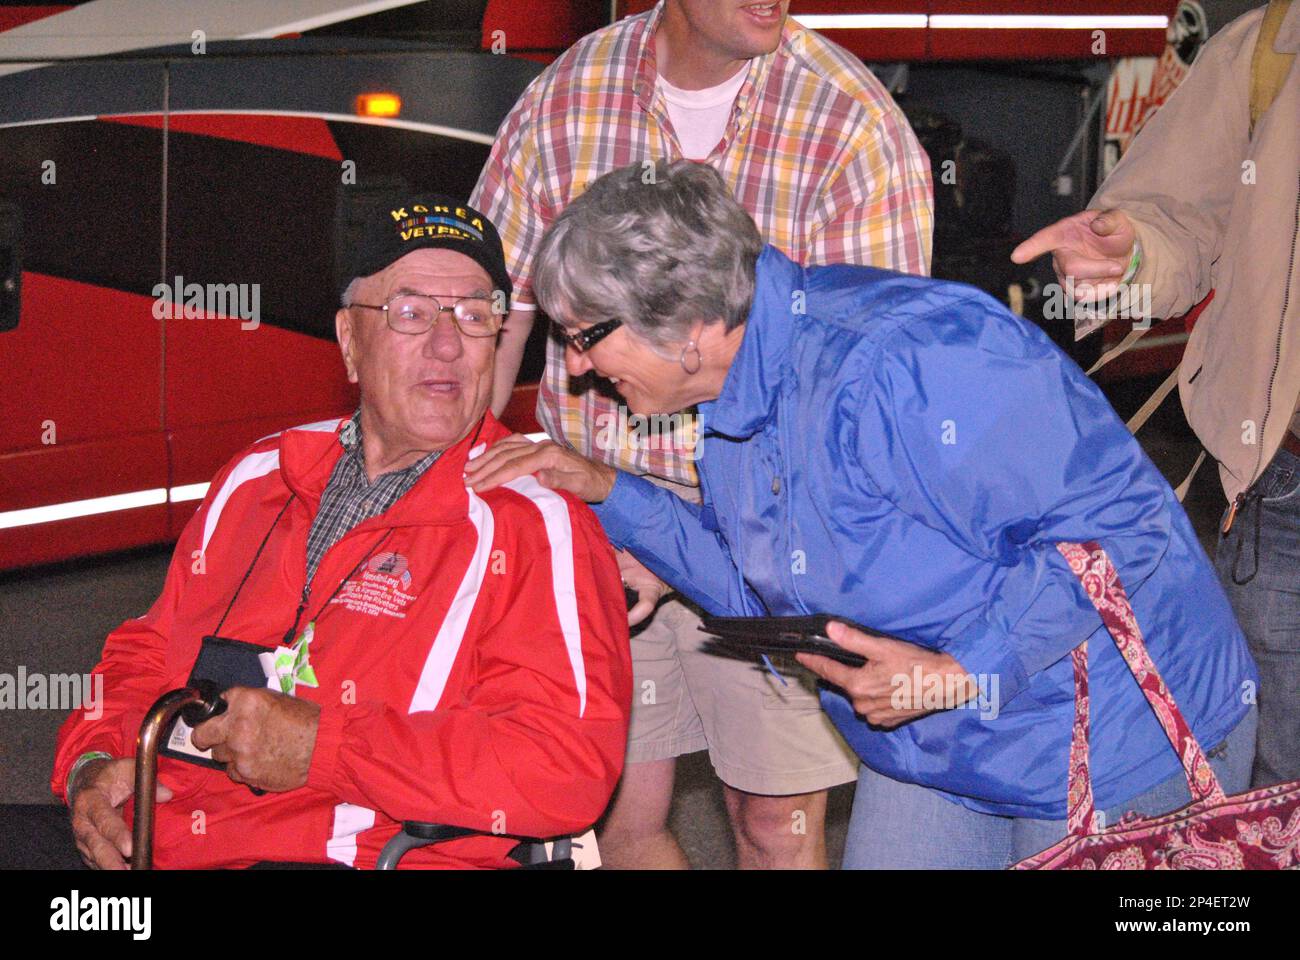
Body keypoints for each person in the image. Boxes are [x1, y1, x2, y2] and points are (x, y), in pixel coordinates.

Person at [464, 159, 1258, 869]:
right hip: (936, 743)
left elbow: (1124, 524)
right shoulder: (739, 392)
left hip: (1111, 733)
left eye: (584, 336)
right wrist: (608, 490)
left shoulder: (911, 358)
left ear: (689, 326)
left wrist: (956, 674)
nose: (572, 366)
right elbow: (758, 597)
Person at [35, 195, 631, 869]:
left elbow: (565, 768)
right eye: (410, 312)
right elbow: (143, 655)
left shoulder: (532, 522)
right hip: (162, 841)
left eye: (474, 315)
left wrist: (326, 746)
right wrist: (90, 764)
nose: (448, 344)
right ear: (349, 340)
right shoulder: (259, 476)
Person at [471, 0, 932, 869]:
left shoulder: (849, 123)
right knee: (611, 818)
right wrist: (465, 484)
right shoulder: (568, 95)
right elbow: (499, 308)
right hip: (591, 509)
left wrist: (678, 546)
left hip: (771, 524)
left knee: (773, 823)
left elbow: (861, 400)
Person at [1011, 1, 1299, 787]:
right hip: (1285, 495)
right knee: (1279, 797)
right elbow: (1178, 216)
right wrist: (1131, 251)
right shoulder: (1267, 48)